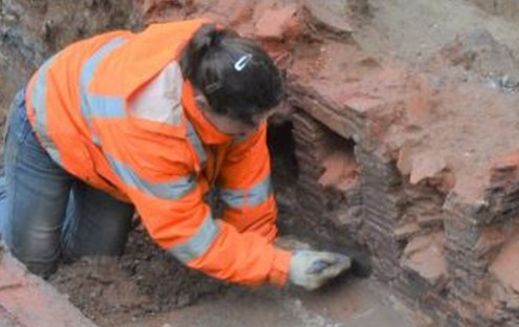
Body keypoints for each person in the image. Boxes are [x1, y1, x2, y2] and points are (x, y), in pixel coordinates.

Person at [0, 19, 349, 289]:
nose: (257, 128)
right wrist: (283, 268)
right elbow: (188, 235)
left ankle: (55, 204)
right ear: (202, 104)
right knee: (34, 262)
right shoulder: (152, 128)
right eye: (248, 123)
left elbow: (248, 184)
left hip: (107, 153)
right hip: (50, 122)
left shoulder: (222, 66)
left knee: (94, 260)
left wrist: (261, 252)